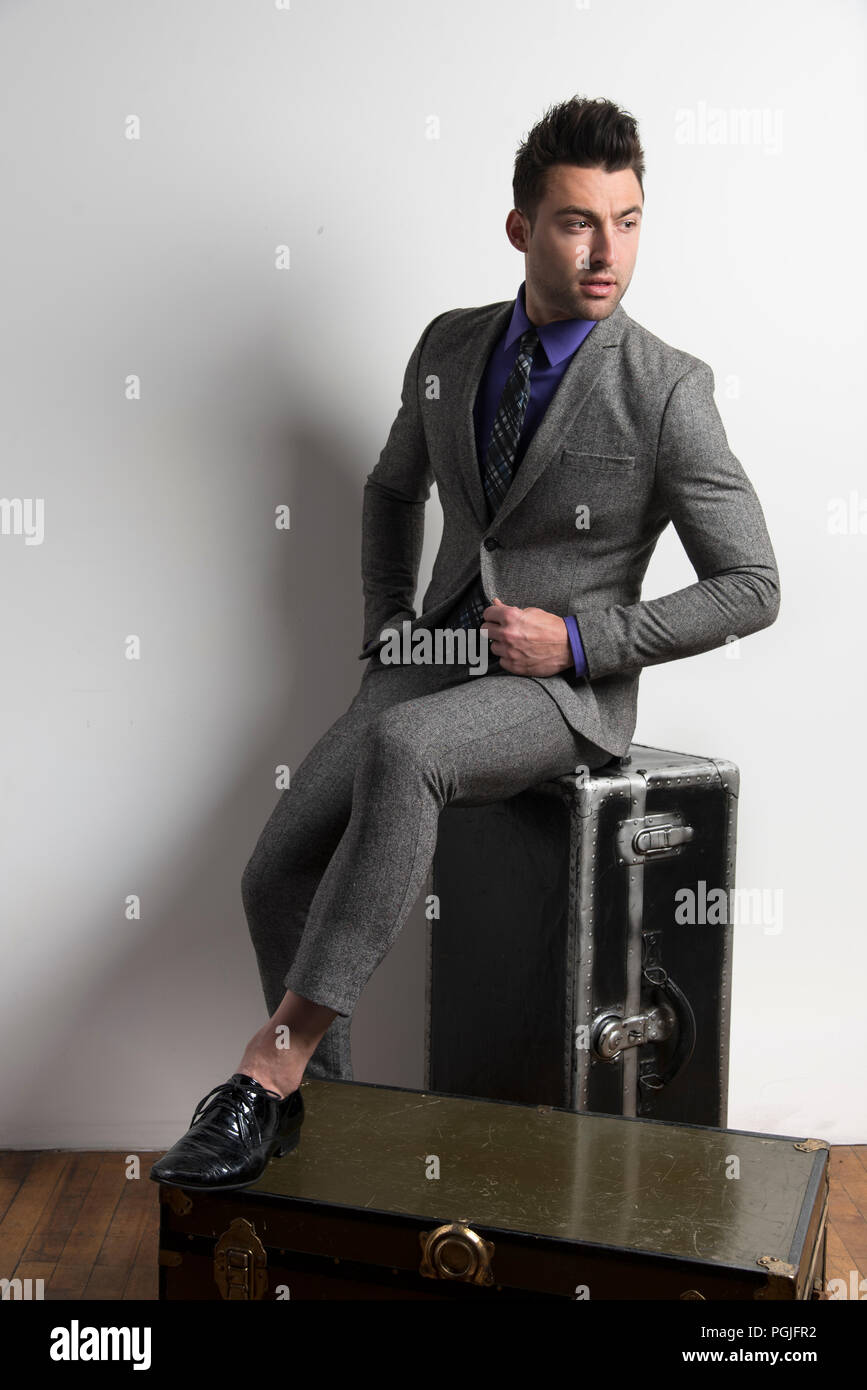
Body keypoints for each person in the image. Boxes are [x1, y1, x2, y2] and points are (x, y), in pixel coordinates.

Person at [150, 95, 780, 1191]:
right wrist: (387, 621)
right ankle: (322, 1131)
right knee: (273, 872)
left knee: (409, 756)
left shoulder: (667, 389)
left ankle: (268, 1067)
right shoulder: (449, 345)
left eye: (629, 221)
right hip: (430, 660)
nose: (607, 251)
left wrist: (581, 638)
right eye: (580, 222)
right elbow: (393, 487)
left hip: (559, 700)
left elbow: (754, 584)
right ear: (520, 228)